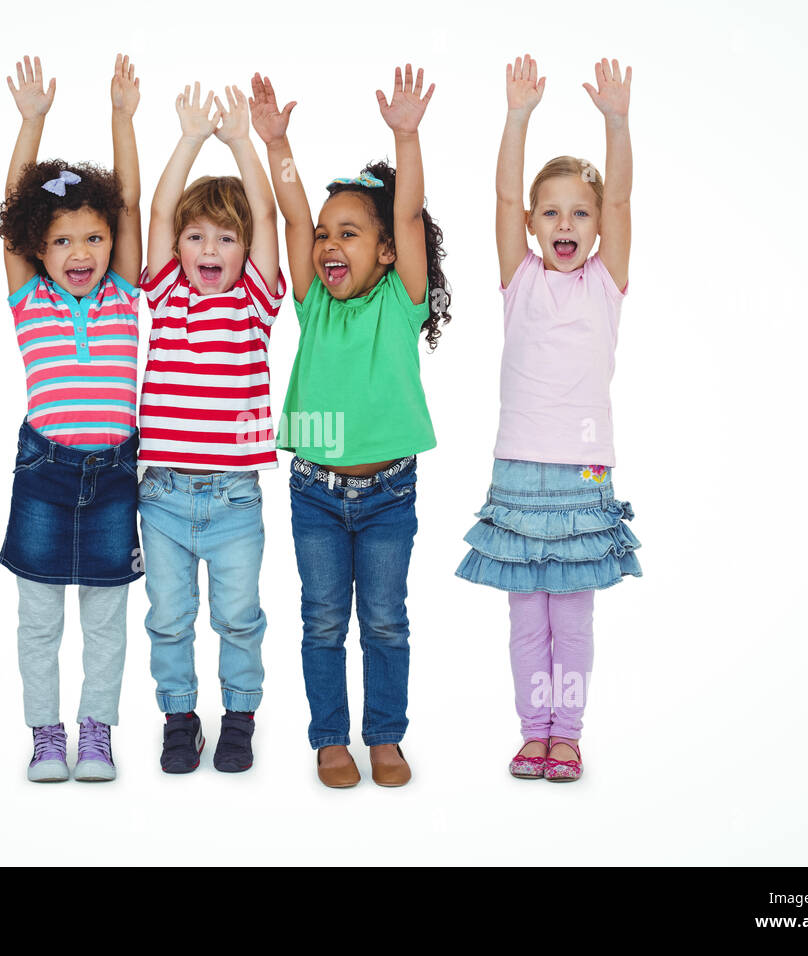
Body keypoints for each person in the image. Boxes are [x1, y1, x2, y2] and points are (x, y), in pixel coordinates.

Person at [251, 66, 451, 788]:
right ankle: (330, 737)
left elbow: (407, 212)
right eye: (326, 236)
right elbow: (294, 220)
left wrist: (407, 136)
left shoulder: (401, 302)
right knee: (323, 621)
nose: (329, 244)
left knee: (387, 621)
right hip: (315, 494)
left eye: (352, 234)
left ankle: (386, 737)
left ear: (389, 252)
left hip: (390, 495)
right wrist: (277, 144)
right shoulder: (314, 306)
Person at [455, 56, 642, 783]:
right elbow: (503, 199)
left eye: (581, 213)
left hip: (585, 470)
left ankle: (569, 734)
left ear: (597, 228)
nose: (566, 223)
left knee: (574, 618)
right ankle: (534, 731)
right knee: (526, 620)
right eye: (551, 212)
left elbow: (623, 201)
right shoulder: (520, 277)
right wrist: (517, 116)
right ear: (534, 225)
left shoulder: (606, 284)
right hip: (519, 472)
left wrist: (617, 124)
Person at [0, 54, 144, 783]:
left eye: (92, 237)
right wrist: (32, 122)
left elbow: (132, 203)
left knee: (107, 619)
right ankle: (46, 733)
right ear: (36, 248)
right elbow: (9, 207)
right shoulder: (32, 300)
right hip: (45, 472)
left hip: (115, 473)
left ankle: (97, 731)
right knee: (40, 617)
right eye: (61, 240)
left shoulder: (122, 295)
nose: (79, 251)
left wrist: (123, 118)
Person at [137, 82, 284, 774]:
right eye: (197, 236)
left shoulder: (255, 300)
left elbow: (266, 211)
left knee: (238, 617)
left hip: (233, 500)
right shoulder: (165, 297)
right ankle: (178, 716)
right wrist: (192, 137)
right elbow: (161, 208)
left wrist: (242, 142)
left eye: (226, 238)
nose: (207, 246)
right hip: (162, 498)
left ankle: (240, 716)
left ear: (246, 252)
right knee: (168, 617)